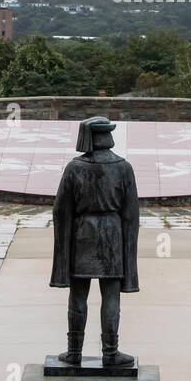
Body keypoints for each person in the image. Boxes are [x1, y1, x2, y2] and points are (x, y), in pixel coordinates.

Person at [49, 116, 140, 367]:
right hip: (112, 235)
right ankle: (111, 353)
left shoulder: (75, 168)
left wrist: (64, 240)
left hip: (83, 235)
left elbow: (60, 210)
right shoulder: (124, 167)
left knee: (78, 295)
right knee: (111, 296)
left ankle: (74, 351)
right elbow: (131, 213)